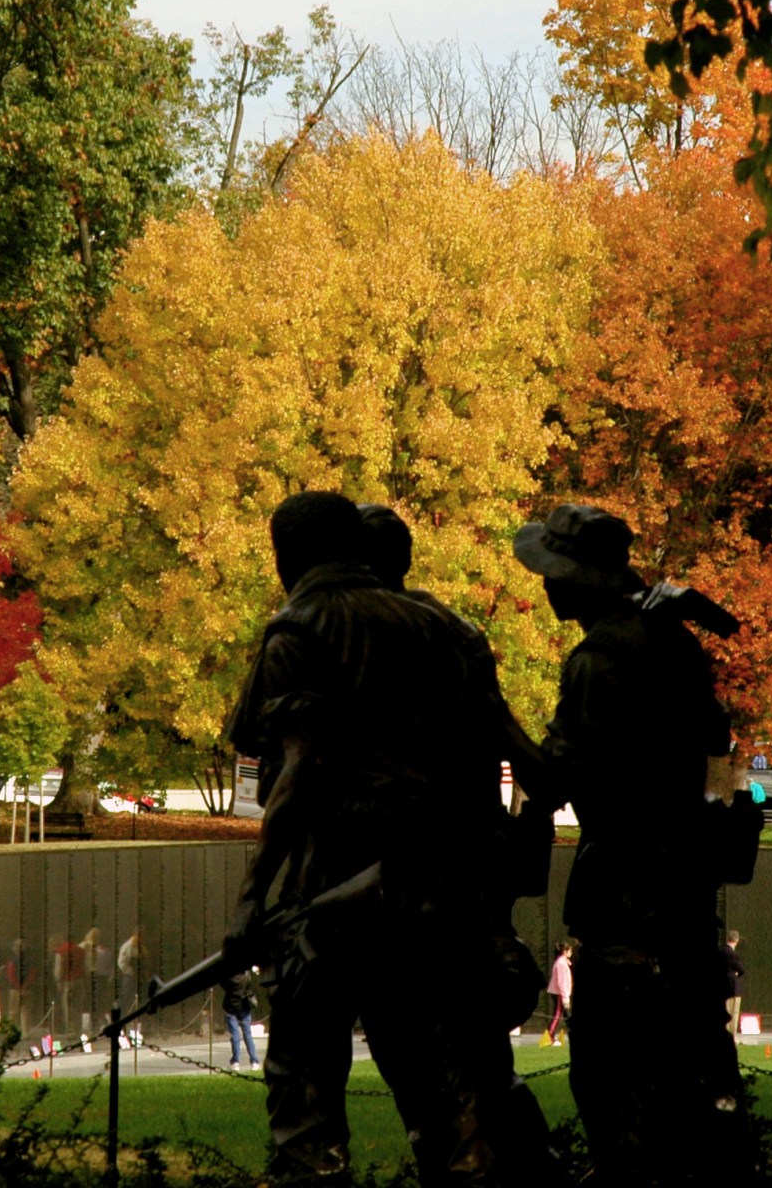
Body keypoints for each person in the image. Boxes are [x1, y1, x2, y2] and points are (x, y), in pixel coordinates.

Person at [224, 490, 564, 1186]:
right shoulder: (450, 629)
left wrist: (251, 903)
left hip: (337, 900)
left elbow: (292, 772)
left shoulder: (302, 627)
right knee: (453, 1104)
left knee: (304, 1088)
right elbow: (527, 763)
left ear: (288, 554)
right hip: (443, 901)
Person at [518, 502, 762, 1186]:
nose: (545, 585)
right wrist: (704, 828)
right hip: (685, 899)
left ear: (580, 578)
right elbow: (722, 759)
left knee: (611, 1084)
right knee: (700, 1083)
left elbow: (554, 777)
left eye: (553, 571)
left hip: (627, 904)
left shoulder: (602, 658)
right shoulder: (675, 642)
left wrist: (487, 718)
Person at [222, 967, 262, 1071]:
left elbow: (223, 985)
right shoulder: (246, 976)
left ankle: (235, 1062)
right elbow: (249, 986)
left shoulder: (228, 977)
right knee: (248, 1035)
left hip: (230, 1007)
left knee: (235, 1036)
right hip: (244, 1007)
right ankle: (254, 1062)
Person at [116, 927, 148, 1044]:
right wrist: (131, 973)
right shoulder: (127, 947)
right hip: (130, 978)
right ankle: (123, 1029)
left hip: (140, 978)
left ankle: (138, 1029)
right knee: (127, 1002)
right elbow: (122, 963)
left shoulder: (141, 947)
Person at [546, 941, 574, 1046]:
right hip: (559, 993)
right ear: (564, 951)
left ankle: (552, 1036)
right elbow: (561, 982)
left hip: (560, 993)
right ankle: (550, 1038)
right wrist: (565, 997)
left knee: (563, 1015)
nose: (571, 952)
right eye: (569, 950)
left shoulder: (563, 961)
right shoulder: (561, 963)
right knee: (557, 1015)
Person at [722, 931, 746, 1037]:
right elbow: (741, 969)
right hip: (732, 987)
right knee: (733, 1012)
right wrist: (736, 973)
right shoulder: (732, 954)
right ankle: (732, 1035)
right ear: (736, 941)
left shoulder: (721, 951)